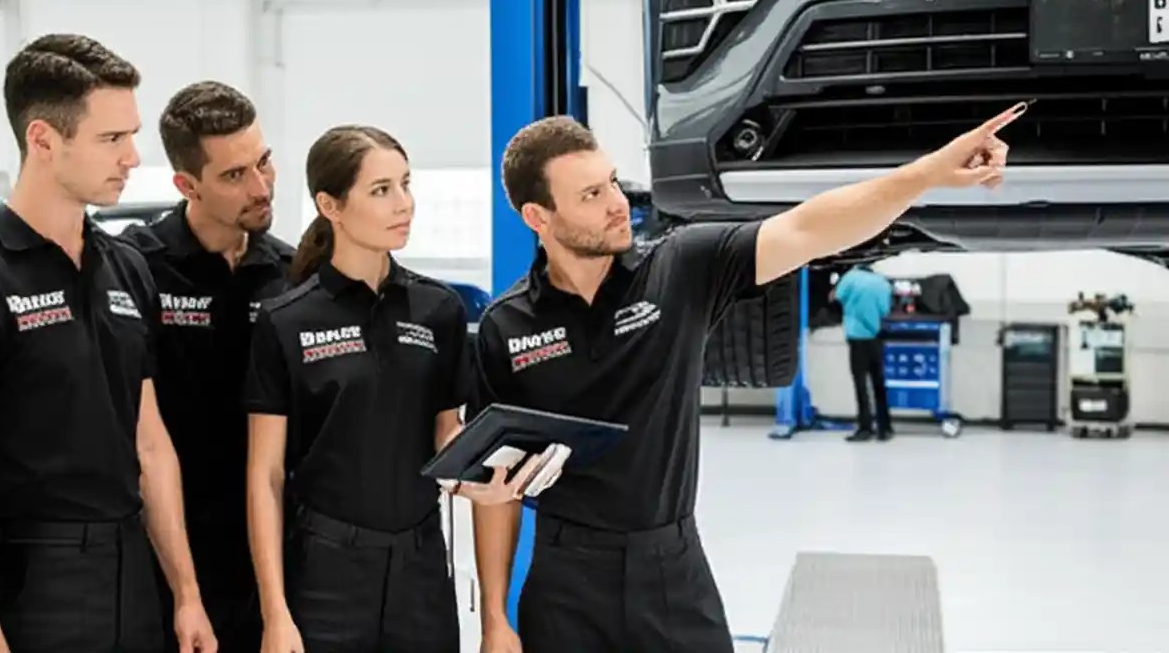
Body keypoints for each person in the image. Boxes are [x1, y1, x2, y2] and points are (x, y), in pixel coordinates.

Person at [471, 106, 1025, 652]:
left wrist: (927, 173)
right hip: (566, 578)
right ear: (538, 218)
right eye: (591, 195)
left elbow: (811, 227)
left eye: (612, 182)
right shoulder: (507, 325)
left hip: (670, 564)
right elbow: (496, 489)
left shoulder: (681, 270)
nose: (618, 204)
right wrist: (495, 618)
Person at [0, 34, 217, 652]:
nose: (132, 158)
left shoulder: (126, 266)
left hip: (134, 572)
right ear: (43, 139)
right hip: (32, 583)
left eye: (131, 136)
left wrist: (186, 594)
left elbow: (150, 444)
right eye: (111, 139)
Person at [241, 125, 544, 653]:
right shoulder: (284, 321)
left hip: (421, 565)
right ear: (330, 205)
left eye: (405, 184)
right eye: (381, 190)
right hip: (324, 571)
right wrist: (275, 613)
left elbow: (446, 436)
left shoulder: (439, 310)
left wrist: (483, 480)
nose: (404, 203)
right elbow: (264, 476)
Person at [117, 80, 293, 651]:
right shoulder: (134, 267)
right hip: (164, 551)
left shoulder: (294, 274)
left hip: (269, 551)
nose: (261, 186)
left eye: (263, 161)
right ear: (186, 185)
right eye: (235, 175)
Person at [833, 264, 897, 442]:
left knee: (861, 385)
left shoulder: (850, 277)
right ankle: (885, 428)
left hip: (856, 337)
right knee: (879, 384)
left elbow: (837, 298)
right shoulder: (882, 282)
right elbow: (885, 310)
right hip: (875, 337)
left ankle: (865, 428)